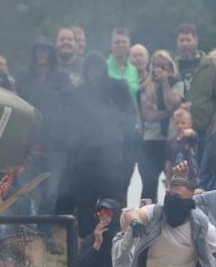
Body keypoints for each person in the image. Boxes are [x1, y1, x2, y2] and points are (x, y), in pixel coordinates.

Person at [60, 53, 134, 234]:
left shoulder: (117, 87)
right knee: (85, 200)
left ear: (104, 70)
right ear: (86, 71)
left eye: (97, 69)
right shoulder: (79, 92)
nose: (94, 73)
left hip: (112, 153)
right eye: (90, 69)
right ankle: (86, 237)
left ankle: (111, 235)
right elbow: (70, 122)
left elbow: (130, 114)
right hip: (85, 156)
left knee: (112, 198)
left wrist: (121, 130)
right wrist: (75, 146)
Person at [17, 35, 74, 215]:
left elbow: (69, 103)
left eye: (45, 50)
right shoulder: (23, 77)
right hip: (27, 142)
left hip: (55, 142)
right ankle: (24, 232)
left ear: (51, 53)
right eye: (38, 50)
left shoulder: (62, 77)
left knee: (50, 192)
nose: (41, 54)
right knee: (24, 191)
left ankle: (46, 234)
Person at [135, 50, 183, 203]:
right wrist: (169, 112)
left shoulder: (176, 83)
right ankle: (145, 220)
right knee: (148, 184)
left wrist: (164, 83)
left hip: (171, 139)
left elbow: (174, 103)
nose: (161, 68)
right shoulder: (144, 87)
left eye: (164, 65)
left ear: (170, 66)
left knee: (175, 183)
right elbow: (148, 114)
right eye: (157, 65)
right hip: (151, 140)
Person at [174, 23, 216, 143]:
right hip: (177, 128)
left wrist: (215, 122)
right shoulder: (173, 65)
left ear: (196, 40)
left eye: (188, 40)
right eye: (181, 40)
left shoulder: (210, 65)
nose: (185, 44)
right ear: (177, 42)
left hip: (203, 127)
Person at [166, 108, 199, 185]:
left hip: (192, 177)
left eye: (183, 123)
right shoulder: (170, 142)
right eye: (177, 123)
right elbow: (168, 162)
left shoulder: (191, 139)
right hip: (176, 177)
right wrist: (167, 178)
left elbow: (194, 136)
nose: (180, 126)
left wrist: (191, 132)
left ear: (190, 123)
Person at [107, 27, 140, 101]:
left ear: (129, 45)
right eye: (117, 42)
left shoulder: (133, 70)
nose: (120, 45)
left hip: (131, 111)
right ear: (111, 45)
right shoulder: (104, 67)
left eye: (124, 42)